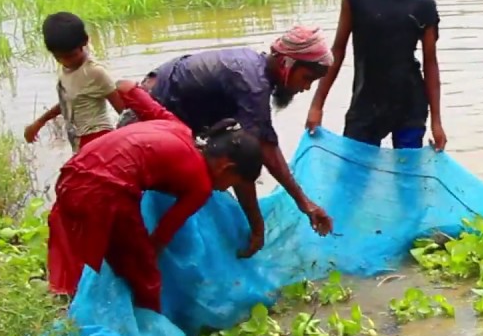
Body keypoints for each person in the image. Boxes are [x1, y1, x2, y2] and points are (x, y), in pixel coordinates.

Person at [47, 81, 264, 310]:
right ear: (226, 167)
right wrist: (149, 262)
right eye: (234, 183)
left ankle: (69, 302)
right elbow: (162, 234)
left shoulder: (178, 128)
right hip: (104, 192)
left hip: (71, 175)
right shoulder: (200, 184)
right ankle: (152, 328)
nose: (223, 190)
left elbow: (129, 90)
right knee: (145, 275)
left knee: (97, 260)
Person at [129, 26, 335, 256]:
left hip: (158, 120)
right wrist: (258, 226)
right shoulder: (253, 85)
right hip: (143, 129)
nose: (306, 88)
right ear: (286, 64)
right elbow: (247, 163)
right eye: (306, 78)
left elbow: (264, 146)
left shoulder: (253, 68)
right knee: (162, 208)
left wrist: (302, 203)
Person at [306, 0, 446, 152]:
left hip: (409, 105)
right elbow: (337, 50)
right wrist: (317, 105)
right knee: (353, 177)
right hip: (365, 104)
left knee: (407, 178)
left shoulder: (423, 5)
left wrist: (436, 121)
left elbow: (430, 63)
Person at [24, 12, 124, 152]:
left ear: (84, 42)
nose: (66, 61)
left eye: (71, 56)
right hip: (79, 141)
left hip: (98, 140)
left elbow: (124, 112)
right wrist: (39, 123)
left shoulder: (95, 72)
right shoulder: (66, 69)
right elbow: (68, 102)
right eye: (59, 57)